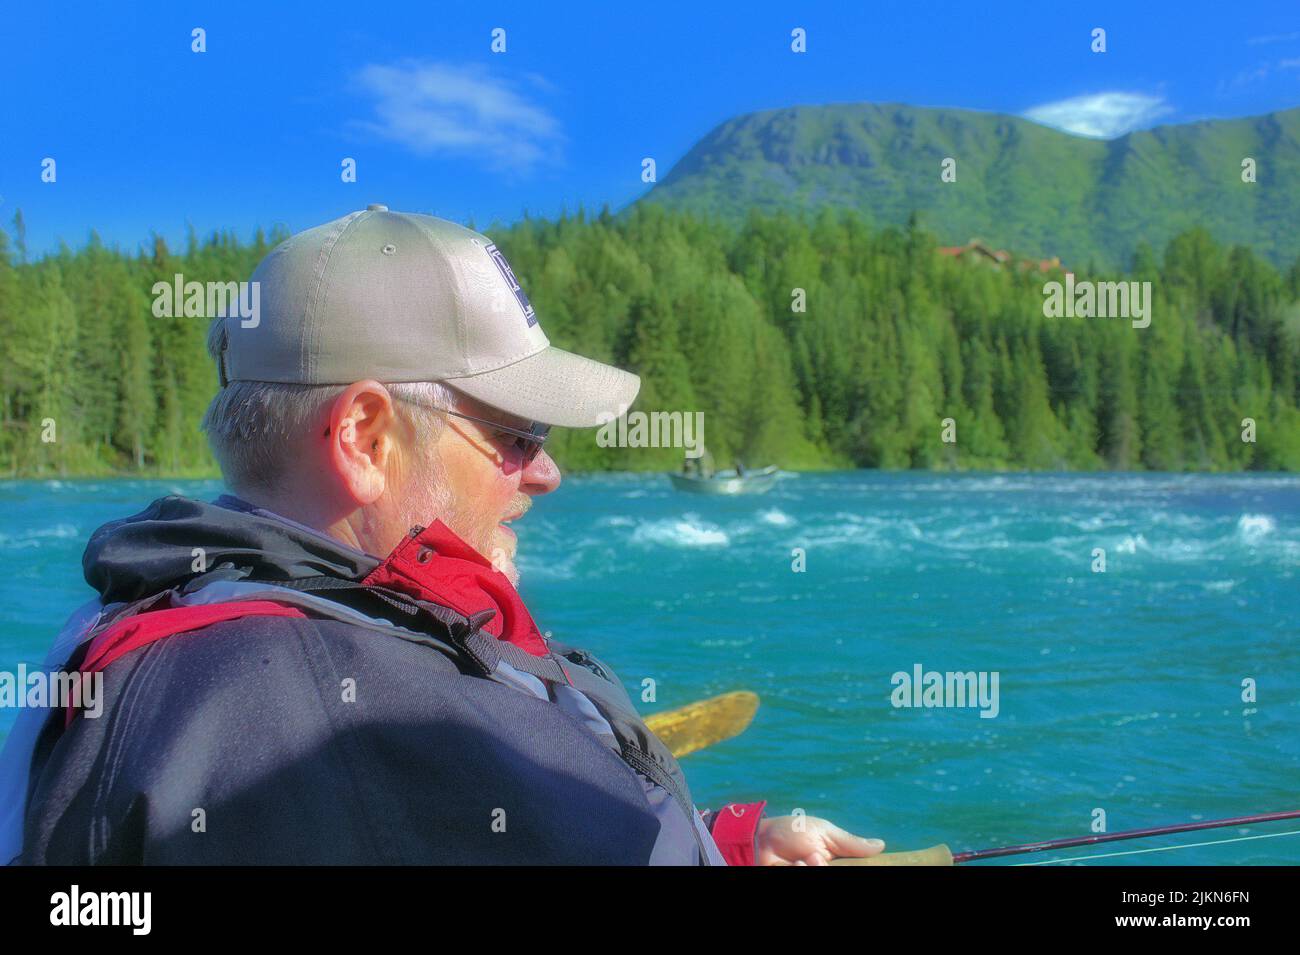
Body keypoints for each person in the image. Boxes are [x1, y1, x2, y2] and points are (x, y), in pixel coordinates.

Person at [6, 206, 885, 865]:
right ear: (365, 438)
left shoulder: (204, 625)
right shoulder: (315, 715)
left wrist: (725, 846)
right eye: (515, 433)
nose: (545, 472)